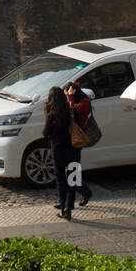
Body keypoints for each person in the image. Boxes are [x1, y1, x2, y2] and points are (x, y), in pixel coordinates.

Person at [43, 85, 76, 220]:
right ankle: (69, 206)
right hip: (74, 150)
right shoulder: (72, 111)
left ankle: (64, 208)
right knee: (73, 179)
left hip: (58, 150)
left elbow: (45, 133)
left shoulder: (52, 115)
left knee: (61, 180)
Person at [64, 81, 93, 207]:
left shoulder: (84, 103)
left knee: (72, 169)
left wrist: (69, 97)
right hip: (69, 138)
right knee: (70, 169)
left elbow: (72, 113)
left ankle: (84, 192)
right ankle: (68, 198)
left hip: (77, 139)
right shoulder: (74, 101)